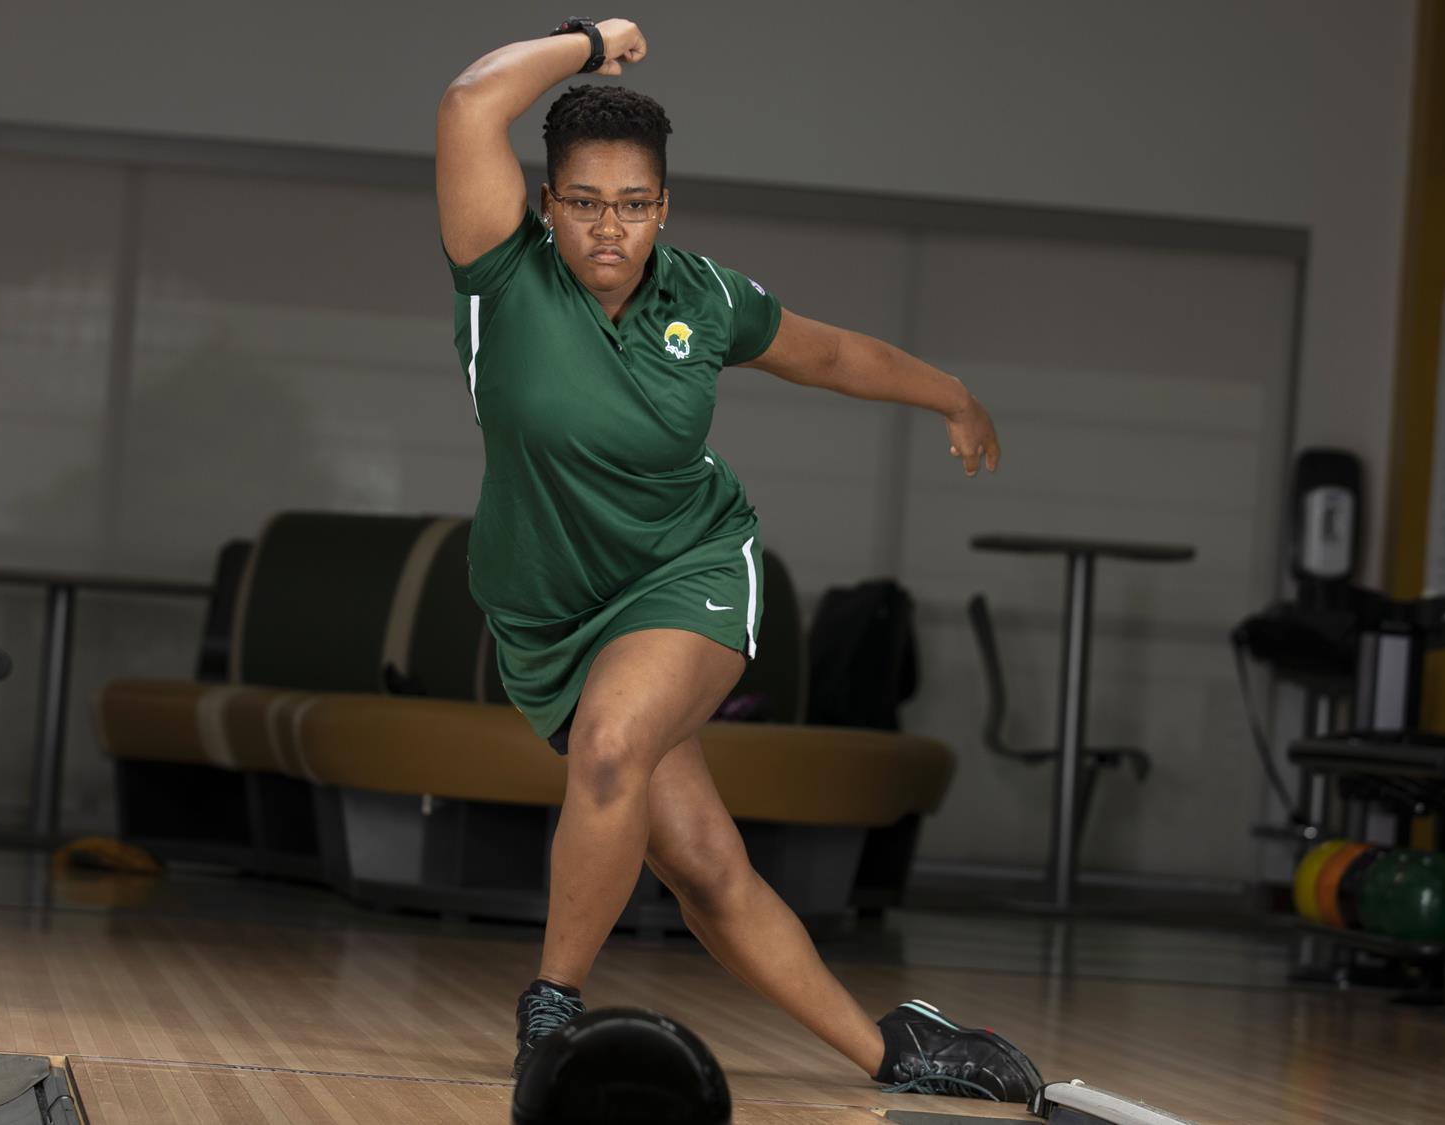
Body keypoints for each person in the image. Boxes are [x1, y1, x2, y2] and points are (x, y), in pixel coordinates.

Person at [437, 16, 1043, 1105]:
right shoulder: (500, 276)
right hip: (547, 618)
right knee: (707, 873)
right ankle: (894, 1051)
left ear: (662, 209)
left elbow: (829, 355)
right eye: (582, 202)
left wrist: (950, 394)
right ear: (546, 205)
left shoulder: (703, 299)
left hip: (689, 570)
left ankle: (548, 1016)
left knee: (614, 747)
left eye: (631, 205)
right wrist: (589, 39)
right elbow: (471, 104)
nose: (607, 229)